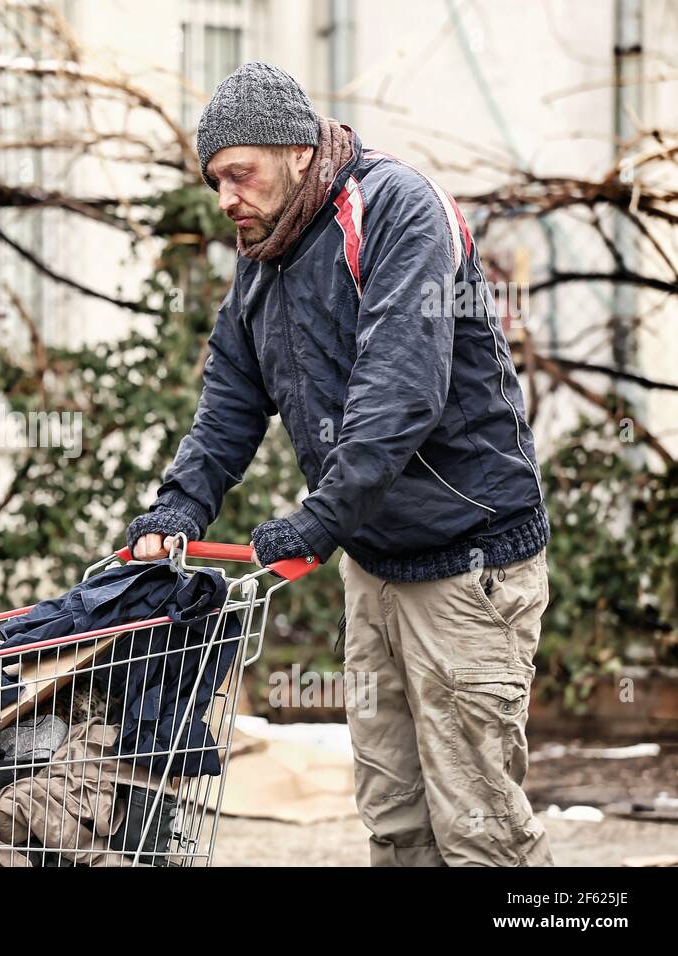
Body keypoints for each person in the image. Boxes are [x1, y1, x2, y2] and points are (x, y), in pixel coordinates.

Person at [127, 62, 553, 867]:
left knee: (481, 832)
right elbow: (230, 398)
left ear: (295, 152)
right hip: (376, 564)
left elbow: (399, 395)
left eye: (238, 174)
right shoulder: (264, 250)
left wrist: (315, 523)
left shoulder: (396, 209)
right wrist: (181, 506)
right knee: (396, 826)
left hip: (469, 567)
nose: (225, 199)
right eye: (215, 181)